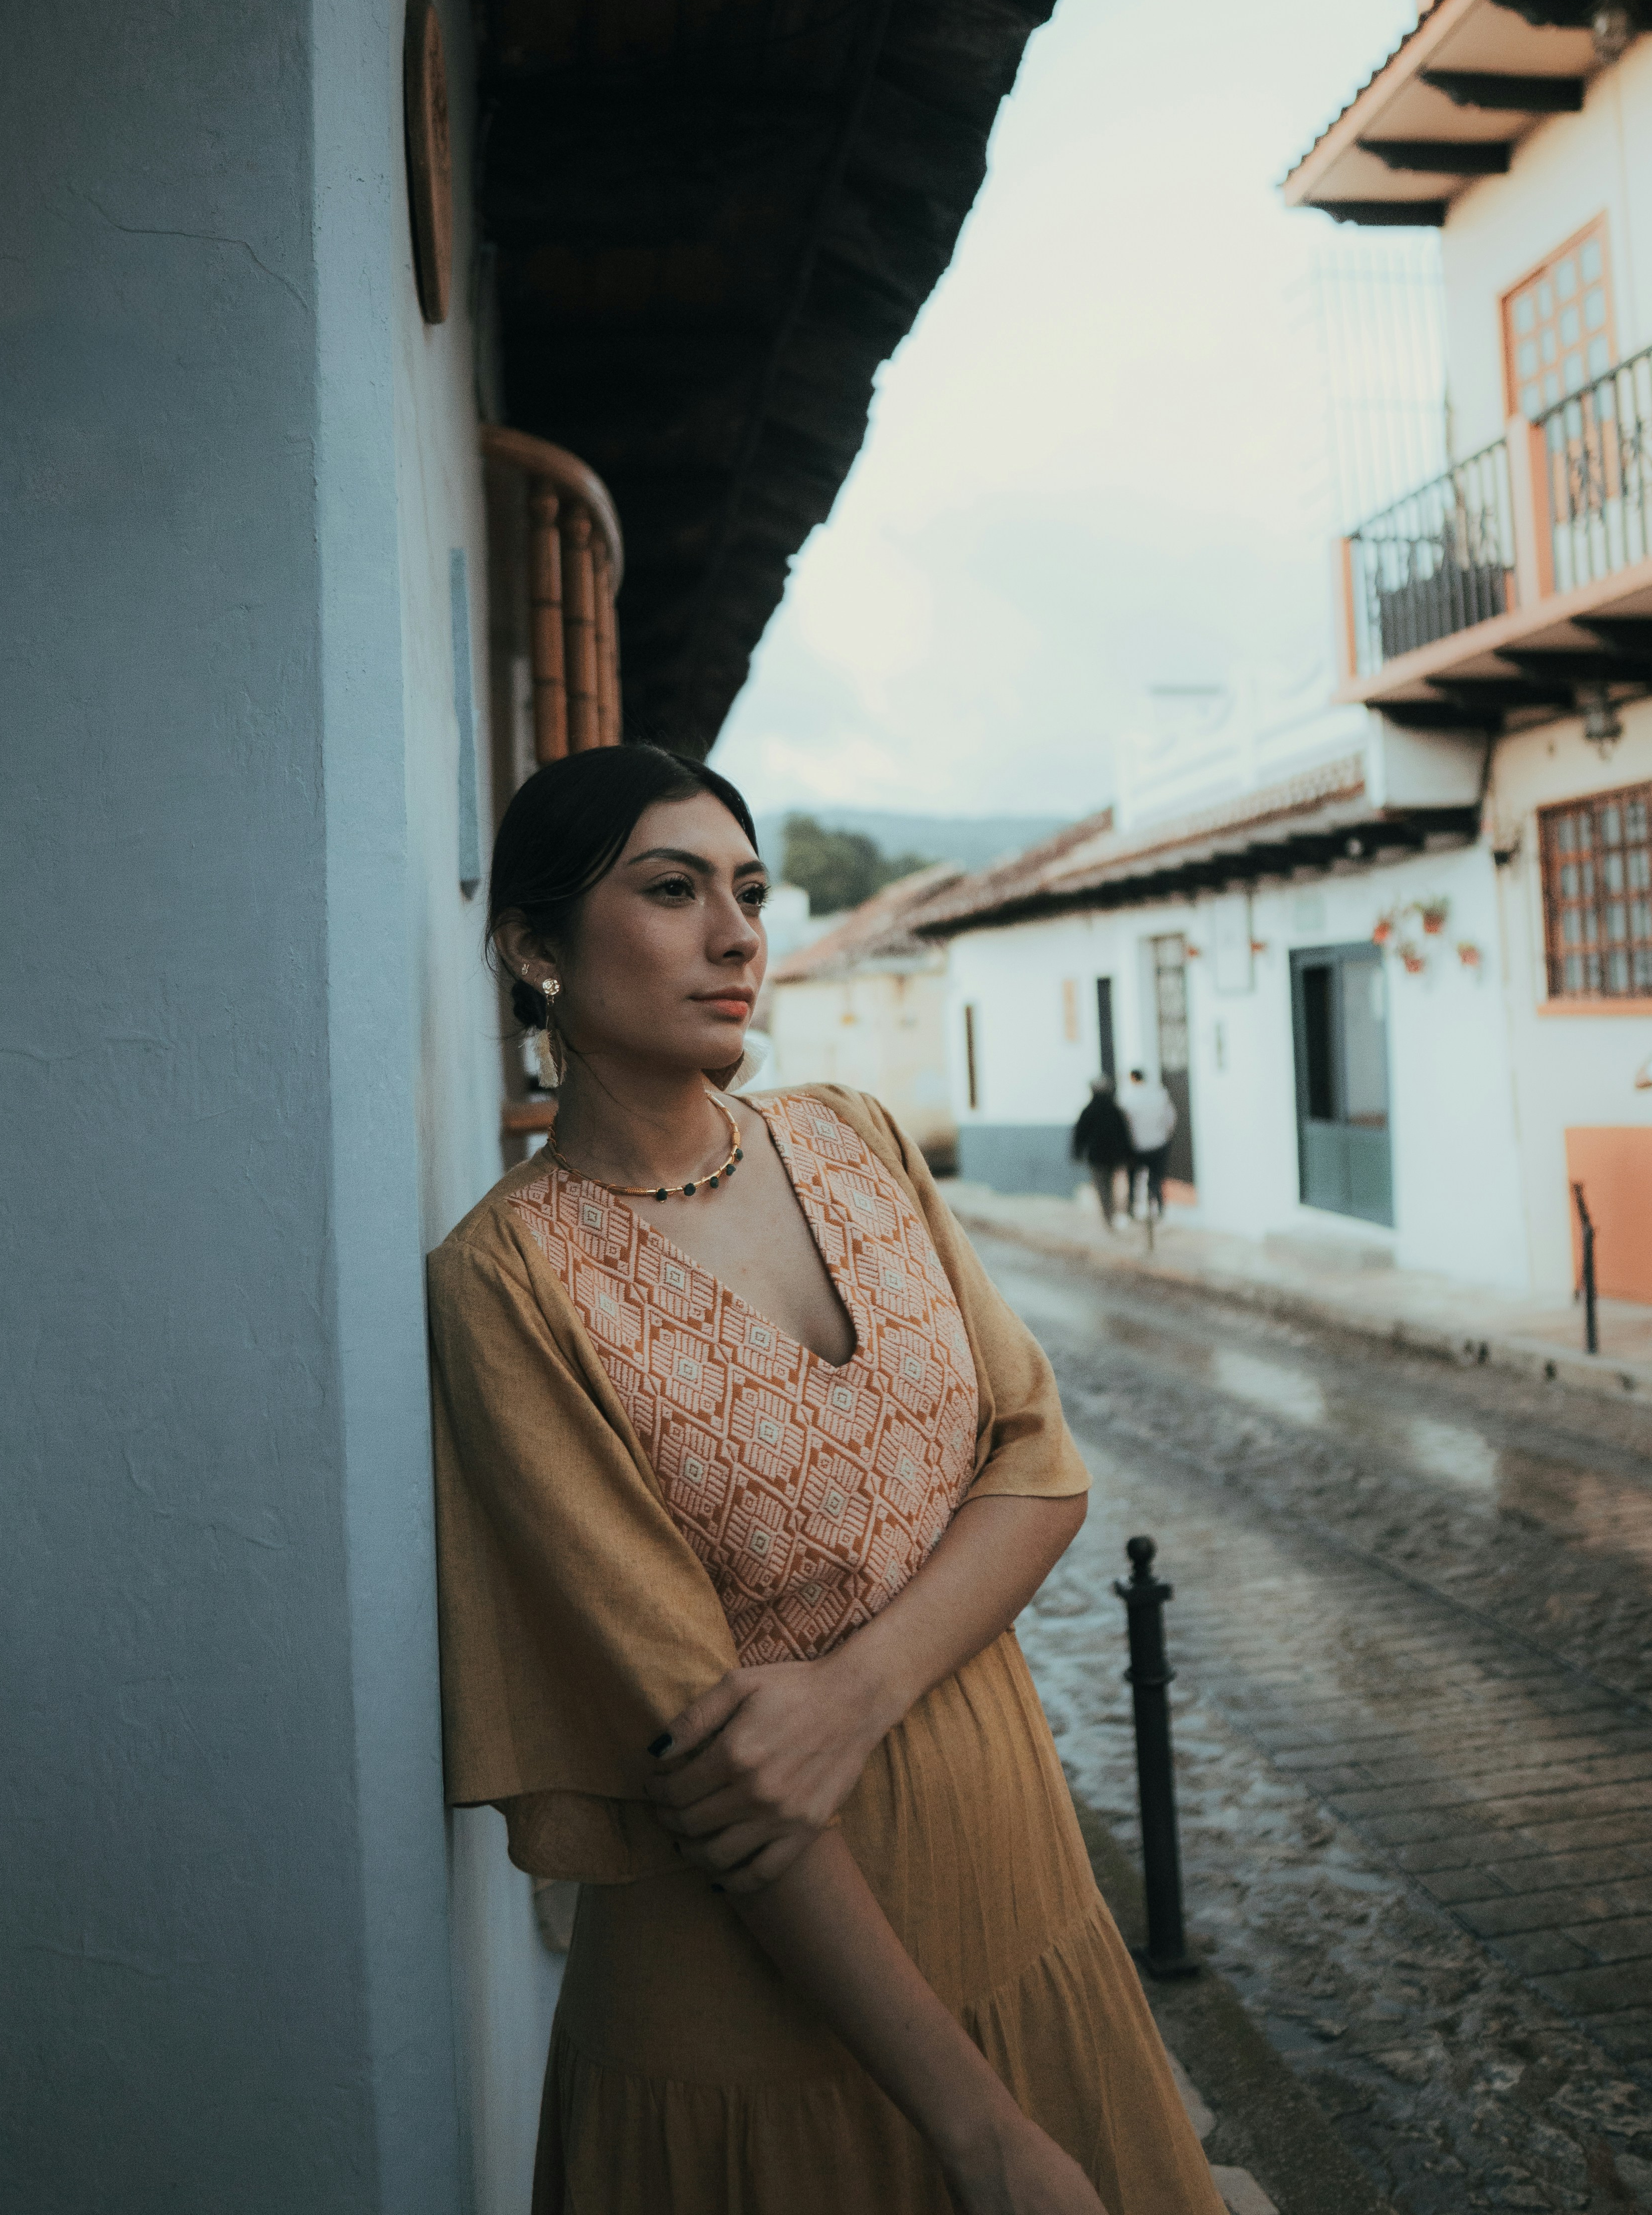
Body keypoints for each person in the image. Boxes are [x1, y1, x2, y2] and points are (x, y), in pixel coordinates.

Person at [429, 744, 1221, 2215]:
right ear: (538, 949)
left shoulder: (851, 1141)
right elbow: (700, 1742)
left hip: (1022, 1886)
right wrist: (977, 2132)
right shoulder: (509, 1281)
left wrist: (854, 1692)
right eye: (672, 891)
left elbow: (1037, 1465)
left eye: (749, 890)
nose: (736, 934)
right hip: (761, 1990)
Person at [1069, 1076, 1132, 1230]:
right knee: (1110, 1186)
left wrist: (1077, 1153)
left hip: (1097, 1157)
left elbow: (1080, 1135)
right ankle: (1113, 1214)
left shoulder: (1089, 1111)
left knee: (1103, 1188)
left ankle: (1109, 1216)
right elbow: (1124, 1135)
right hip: (1113, 1156)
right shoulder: (1115, 1110)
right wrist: (1127, 1154)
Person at [1121, 1068, 1179, 1218]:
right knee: (1156, 1180)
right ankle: (1159, 1208)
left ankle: (1132, 1210)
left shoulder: (1127, 1099)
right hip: (1158, 1145)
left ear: (1132, 1078)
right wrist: (1165, 1136)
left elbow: (1125, 1126)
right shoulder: (1159, 1096)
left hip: (1136, 1147)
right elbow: (1171, 1120)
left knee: (1133, 1180)